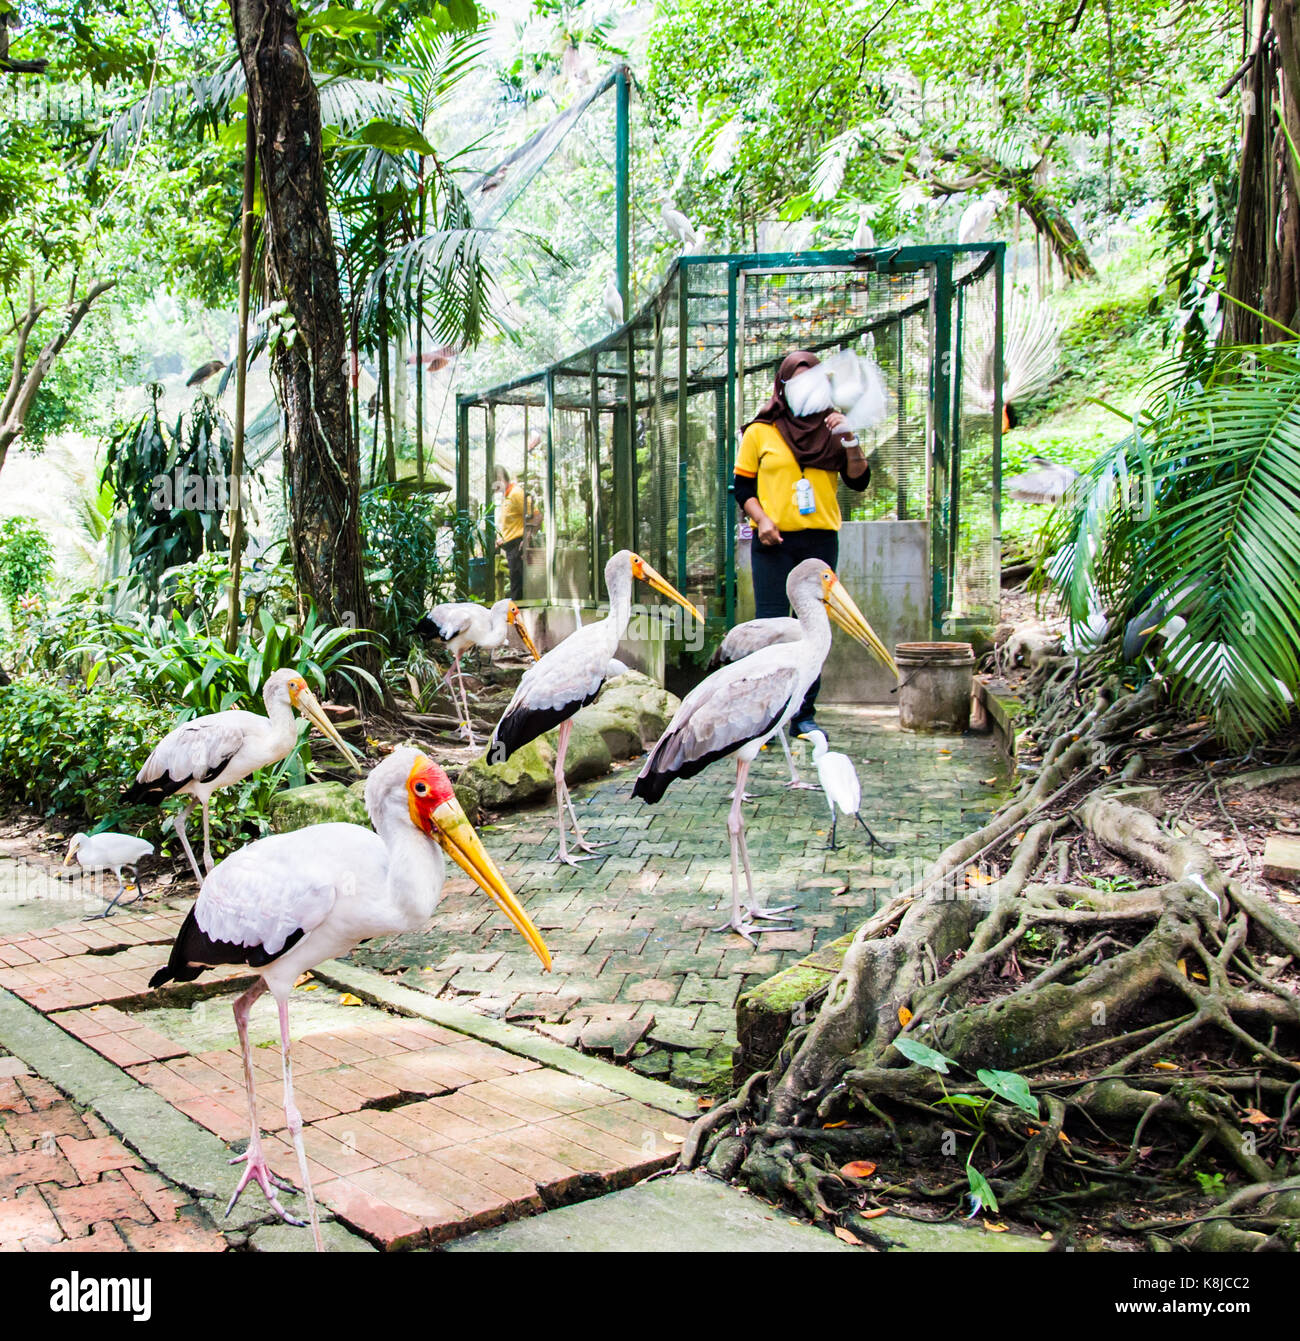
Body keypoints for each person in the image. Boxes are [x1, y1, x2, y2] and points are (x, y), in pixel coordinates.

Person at [734, 349, 871, 739]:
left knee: (814, 631)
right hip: (773, 542)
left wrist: (851, 439)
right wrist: (761, 520)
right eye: (798, 380)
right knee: (774, 628)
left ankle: (804, 715)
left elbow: (859, 479)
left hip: (819, 543)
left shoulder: (834, 427)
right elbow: (742, 486)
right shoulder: (761, 430)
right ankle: (766, 716)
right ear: (783, 385)